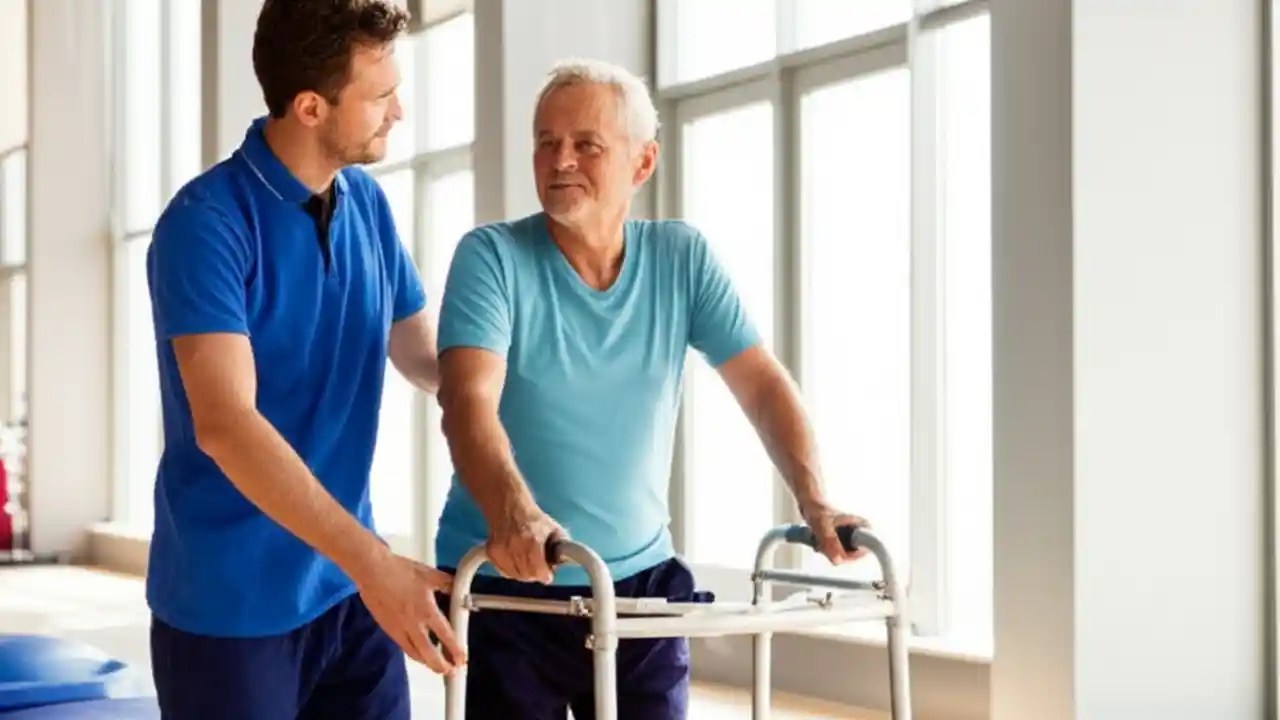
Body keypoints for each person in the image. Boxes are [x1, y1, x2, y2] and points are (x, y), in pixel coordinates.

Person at [433, 57, 868, 719]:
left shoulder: (681, 259)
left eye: (586, 144)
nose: (561, 160)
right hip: (508, 583)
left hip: (641, 582)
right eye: (546, 142)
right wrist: (514, 515)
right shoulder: (491, 257)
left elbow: (760, 385)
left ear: (641, 164)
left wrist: (816, 502)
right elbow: (468, 402)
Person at [144, 2, 464, 718]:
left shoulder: (368, 206)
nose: (399, 112)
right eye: (380, 97)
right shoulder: (206, 226)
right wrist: (375, 565)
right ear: (312, 107)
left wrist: (515, 377)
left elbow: (424, 357)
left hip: (345, 592)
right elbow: (226, 424)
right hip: (231, 607)